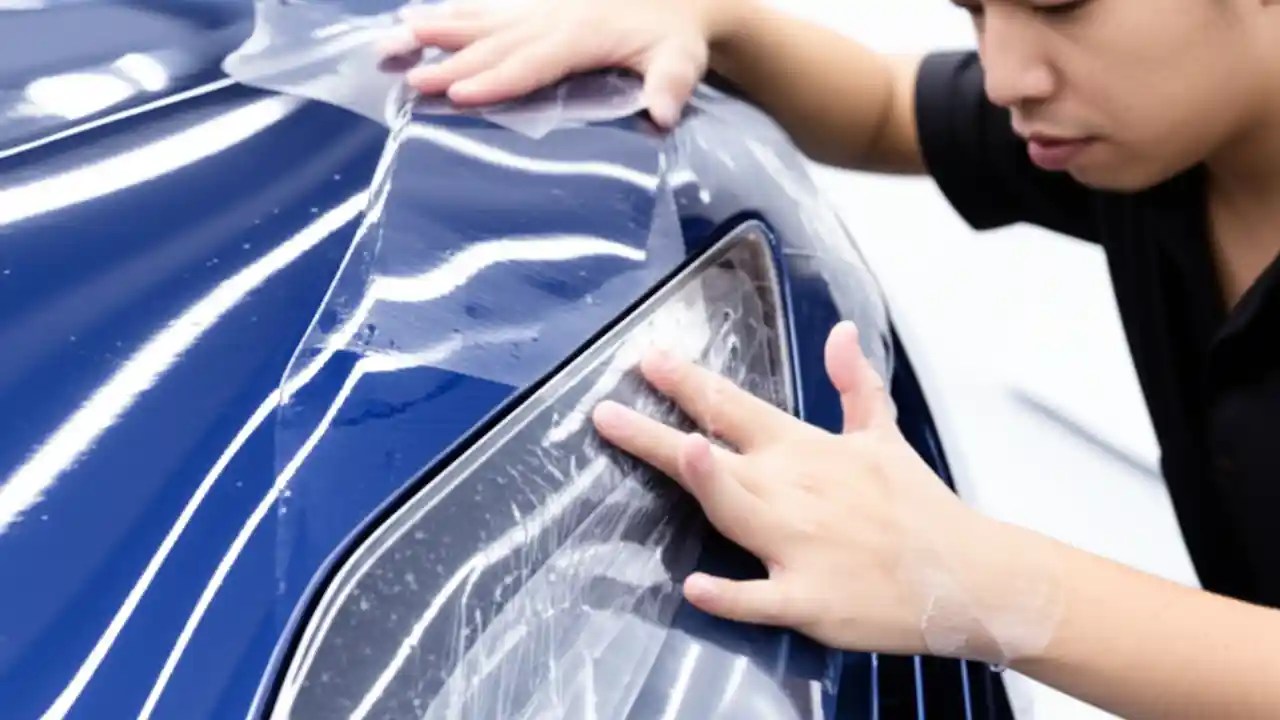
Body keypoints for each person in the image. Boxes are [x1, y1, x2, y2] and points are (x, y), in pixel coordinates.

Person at [380, 1, 1280, 716]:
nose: (1008, 76)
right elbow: (886, 107)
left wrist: (980, 582)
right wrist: (712, 17)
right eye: (974, 11)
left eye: (1060, 6)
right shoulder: (1158, 137)